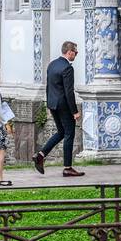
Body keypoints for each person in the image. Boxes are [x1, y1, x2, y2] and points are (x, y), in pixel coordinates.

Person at [33, 41, 84, 177]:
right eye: (76, 52)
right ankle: (67, 167)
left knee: (61, 132)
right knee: (69, 134)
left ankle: (41, 155)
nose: (76, 55)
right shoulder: (67, 68)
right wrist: (74, 111)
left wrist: (50, 103)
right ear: (70, 52)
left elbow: (50, 86)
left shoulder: (52, 64)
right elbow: (69, 91)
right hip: (64, 106)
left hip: (53, 104)